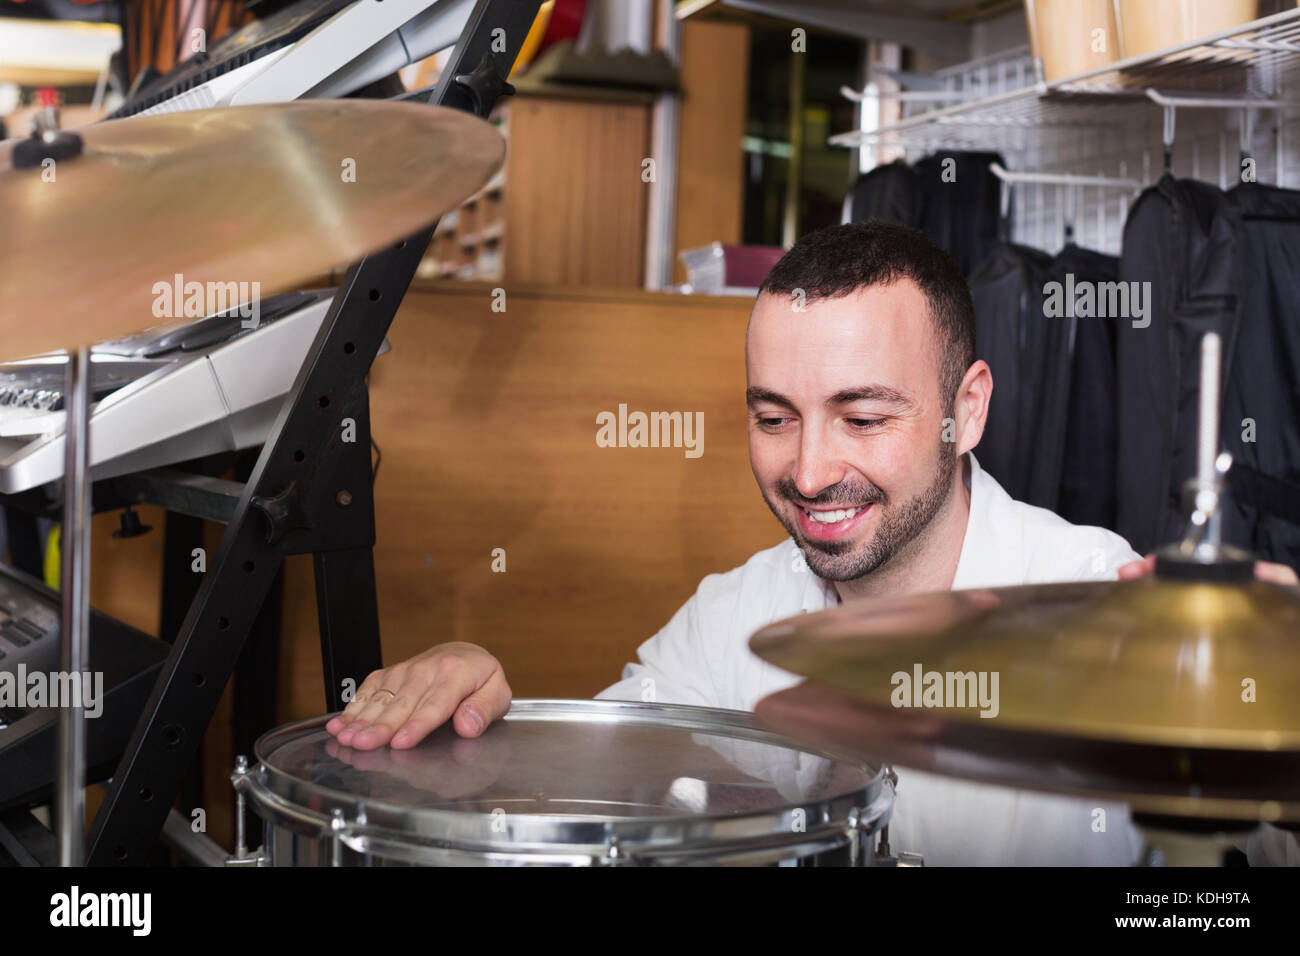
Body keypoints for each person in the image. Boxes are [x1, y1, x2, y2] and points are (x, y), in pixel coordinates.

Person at [324, 220, 1299, 865]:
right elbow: (590, 792)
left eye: (863, 416)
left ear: (967, 409)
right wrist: (487, 712)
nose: (809, 468)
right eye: (775, 415)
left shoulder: (1101, 605)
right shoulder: (730, 618)